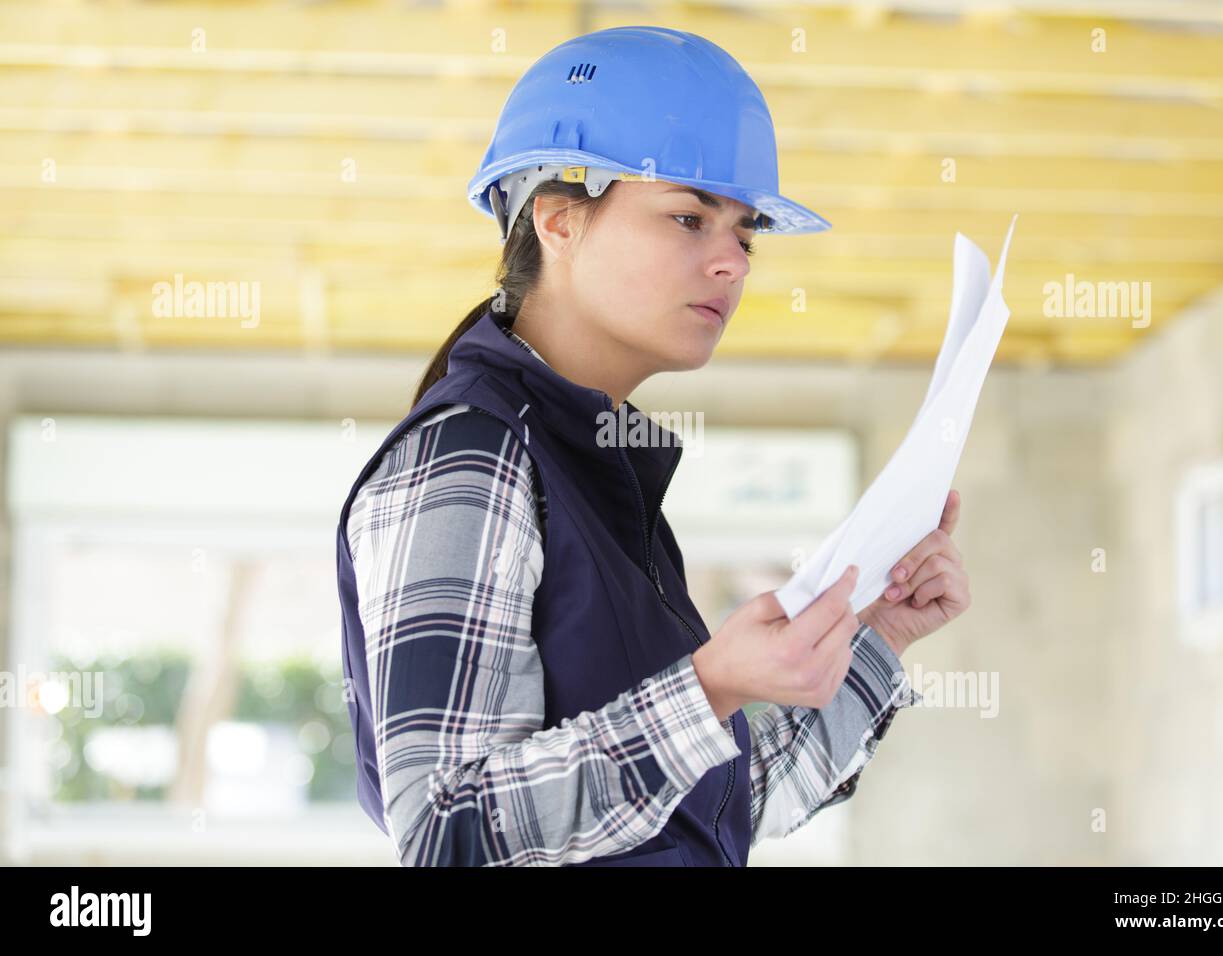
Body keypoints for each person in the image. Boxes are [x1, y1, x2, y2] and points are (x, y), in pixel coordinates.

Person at [335, 26, 970, 867]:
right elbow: (446, 830)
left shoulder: (601, 482)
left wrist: (880, 636)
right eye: (687, 218)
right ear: (558, 222)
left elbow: (731, 802)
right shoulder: (472, 455)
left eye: (744, 235)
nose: (732, 265)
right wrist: (709, 687)